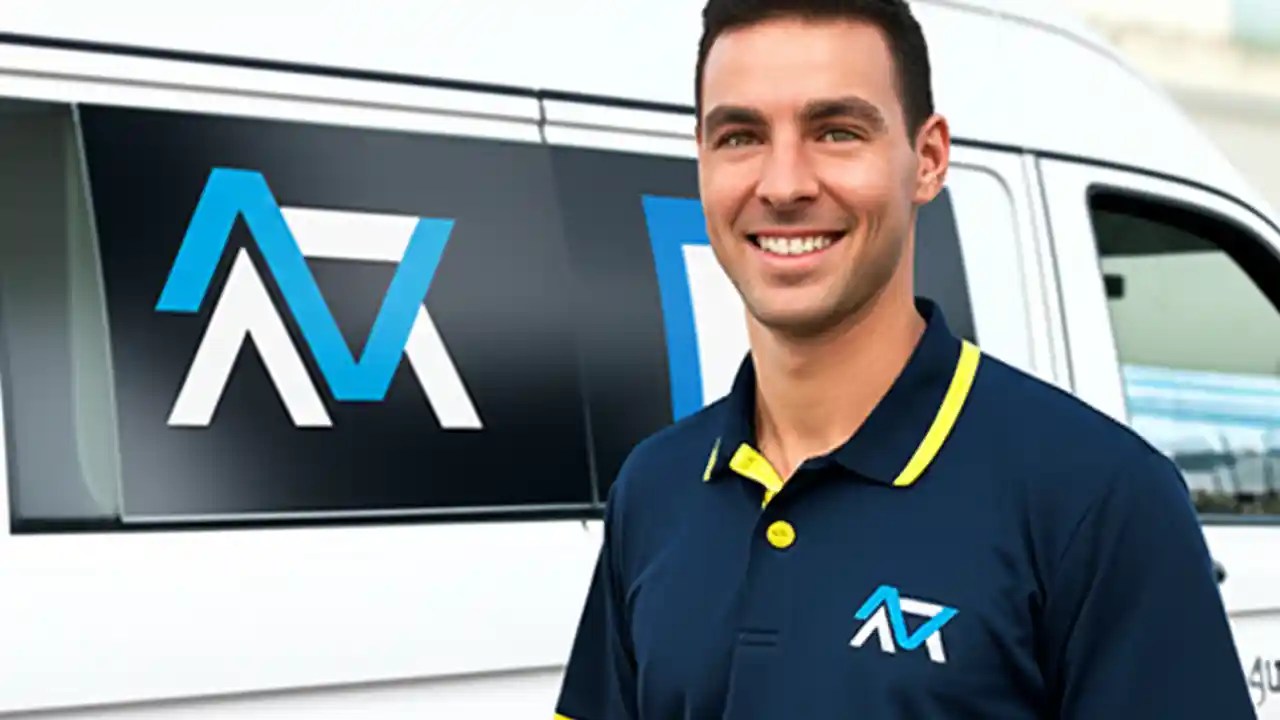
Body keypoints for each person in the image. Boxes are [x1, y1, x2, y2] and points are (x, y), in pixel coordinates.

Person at [553, 0, 1256, 717]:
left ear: (927, 160)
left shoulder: (1101, 501)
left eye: (836, 131)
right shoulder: (655, 490)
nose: (784, 183)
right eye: (741, 136)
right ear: (702, 160)